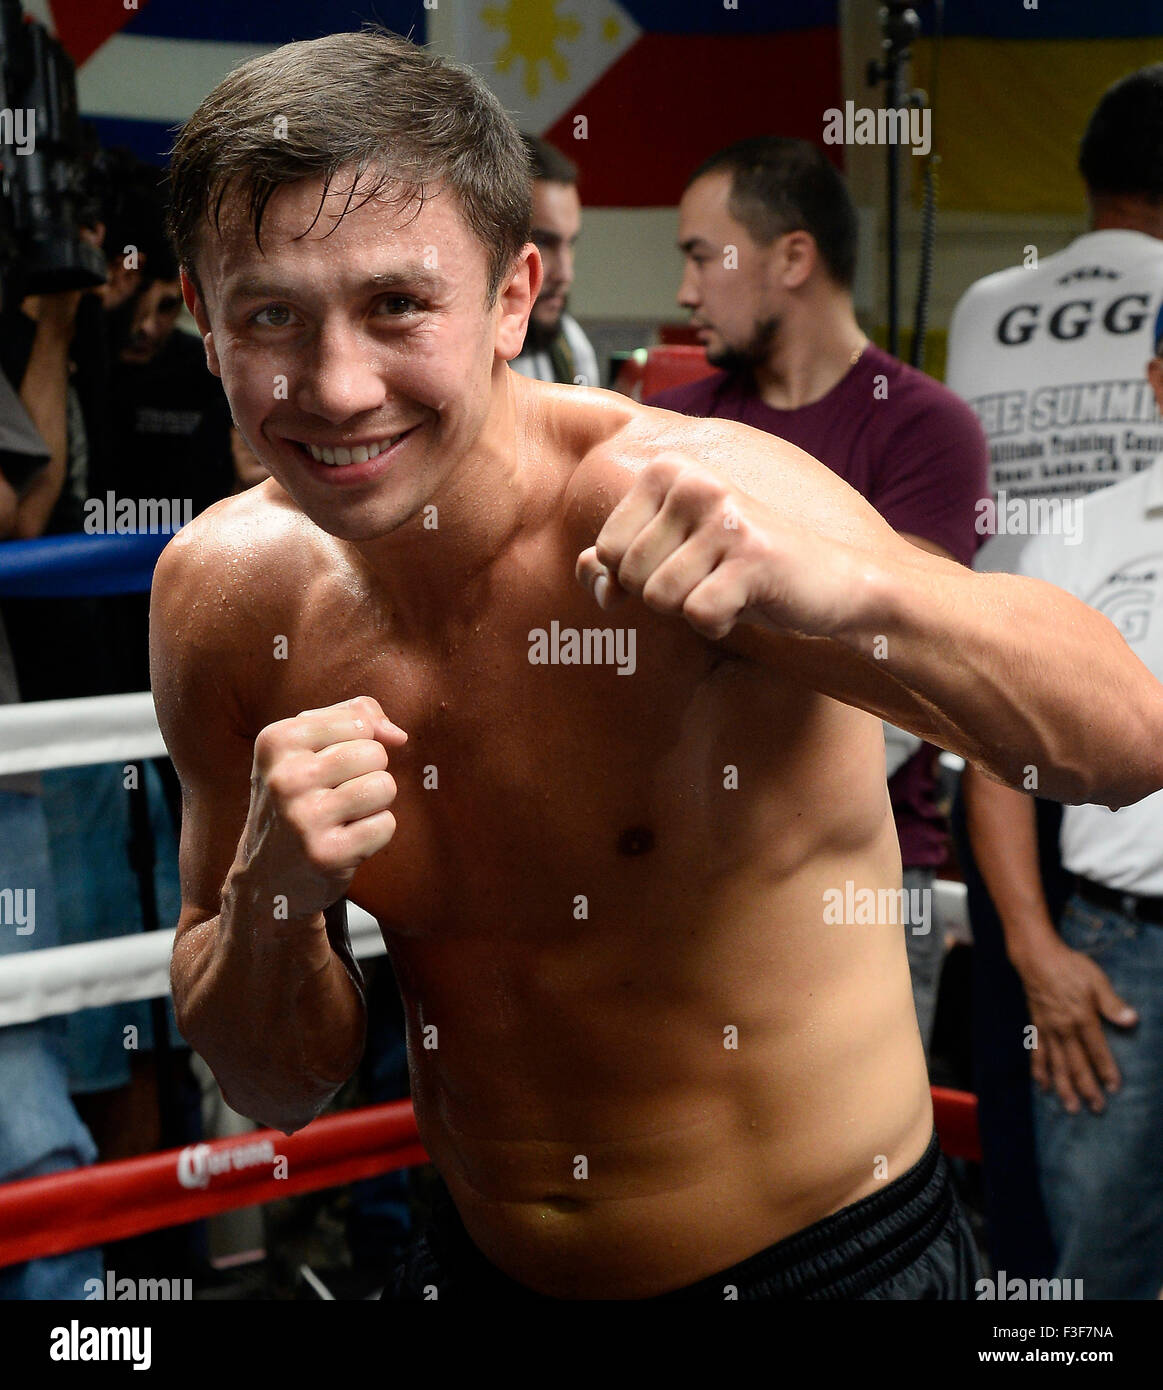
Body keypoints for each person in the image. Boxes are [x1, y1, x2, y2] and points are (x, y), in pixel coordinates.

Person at [155, 29, 1163, 1302]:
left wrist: (859, 585)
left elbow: (1126, 740)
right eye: (271, 318)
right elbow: (274, 1081)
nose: (339, 385)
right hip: (473, 1267)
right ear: (201, 317)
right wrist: (272, 901)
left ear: (514, 297)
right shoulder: (223, 599)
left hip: (824, 1273)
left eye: (397, 305)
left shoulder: (691, 500)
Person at [646, 137, 988, 1059]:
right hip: (688, 869)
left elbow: (903, 663)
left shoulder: (923, 427)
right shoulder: (677, 428)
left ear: (791, 258)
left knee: (857, 1179)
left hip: (861, 873)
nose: (685, 293)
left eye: (699, 255)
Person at [945, 62, 1163, 1280]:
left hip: (998, 714)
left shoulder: (989, 302)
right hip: (1100, 716)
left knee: (1039, 1129)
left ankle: (1037, 1312)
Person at [509, 134, 599, 387]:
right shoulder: (448, 355)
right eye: (544, 242)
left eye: (570, 244)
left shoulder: (570, 348)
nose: (565, 273)